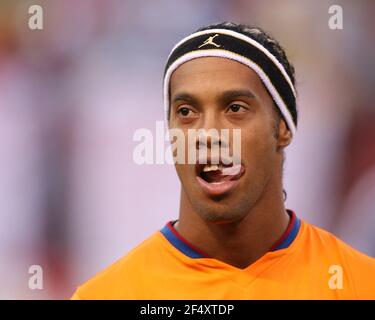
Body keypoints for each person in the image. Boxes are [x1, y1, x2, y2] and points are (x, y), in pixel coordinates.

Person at [71, 22, 375, 299]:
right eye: (187, 112)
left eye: (235, 108)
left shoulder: (361, 284)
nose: (208, 133)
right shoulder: (107, 295)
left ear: (282, 128)